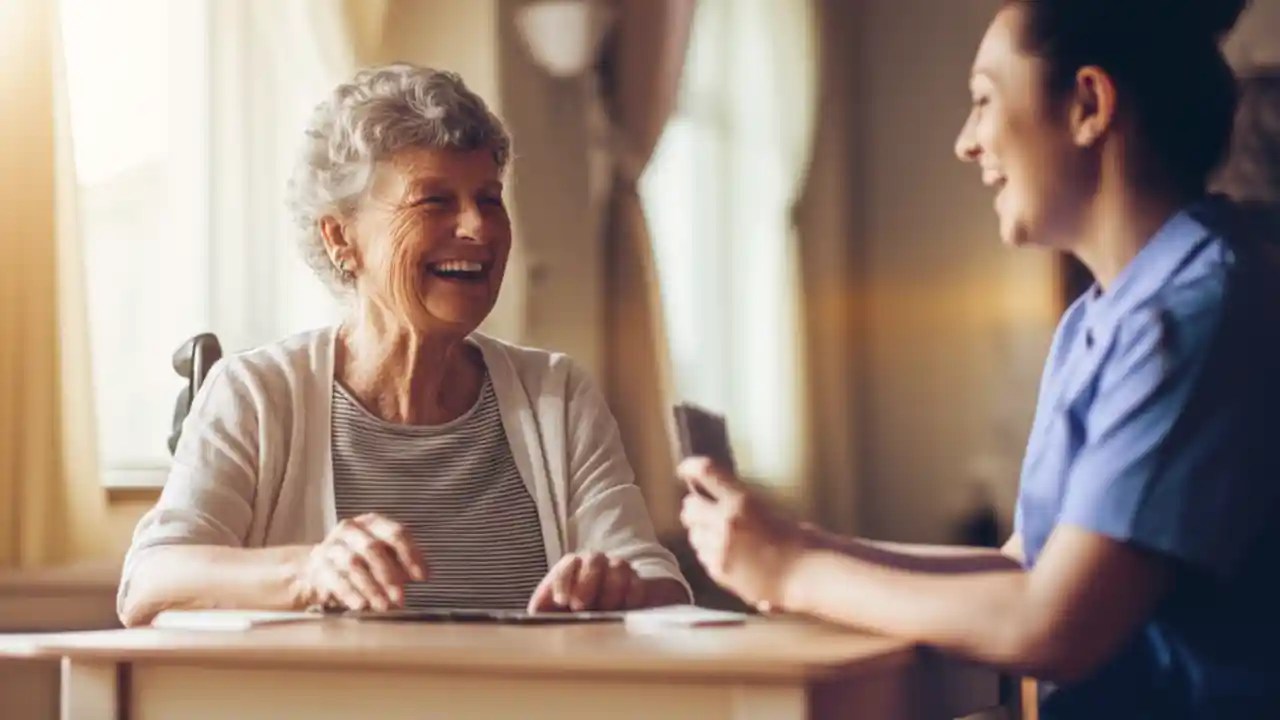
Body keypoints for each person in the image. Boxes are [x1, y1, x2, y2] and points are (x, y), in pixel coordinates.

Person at [679, 0, 1280, 716]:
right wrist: (794, 546)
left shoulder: (1198, 313)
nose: (967, 142)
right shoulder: (1101, 316)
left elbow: (1054, 622)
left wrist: (794, 569)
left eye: (984, 100)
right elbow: (1023, 564)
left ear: (1088, 103)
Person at [118, 64, 688, 627]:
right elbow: (151, 580)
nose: (478, 227)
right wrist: (307, 572)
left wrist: (618, 586)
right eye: (434, 201)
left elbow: (660, 584)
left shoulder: (557, 396)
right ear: (341, 236)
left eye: (489, 199)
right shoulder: (257, 393)